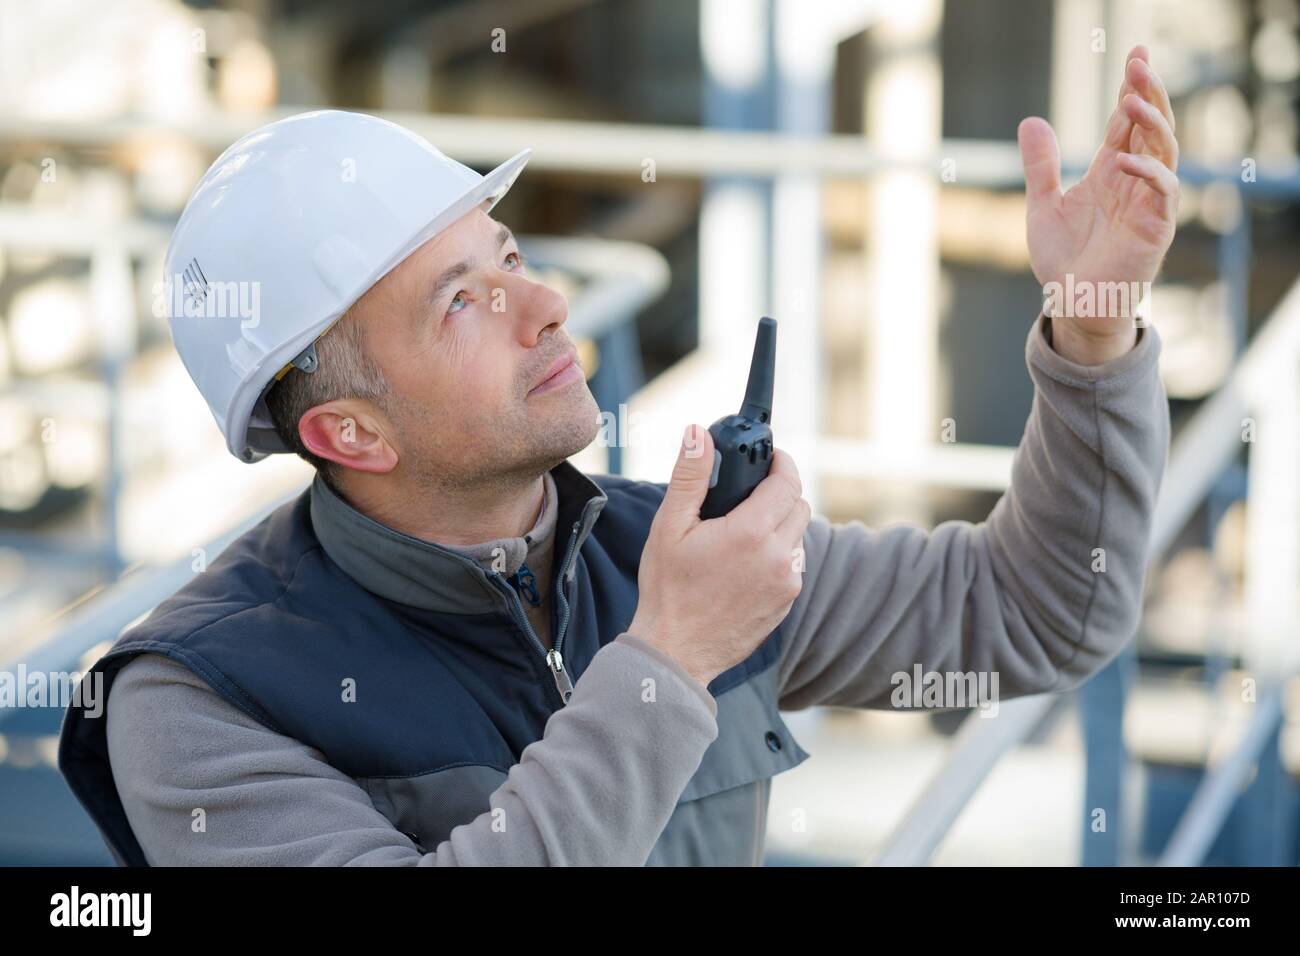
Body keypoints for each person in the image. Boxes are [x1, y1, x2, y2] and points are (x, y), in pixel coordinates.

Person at [59, 45, 1177, 866]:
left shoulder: (672, 552)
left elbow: (1036, 614)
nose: (545, 304)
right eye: (463, 303)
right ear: (348, 431)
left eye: (509, 252)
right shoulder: (201, 702)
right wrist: (671, 656)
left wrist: (1091, 326)